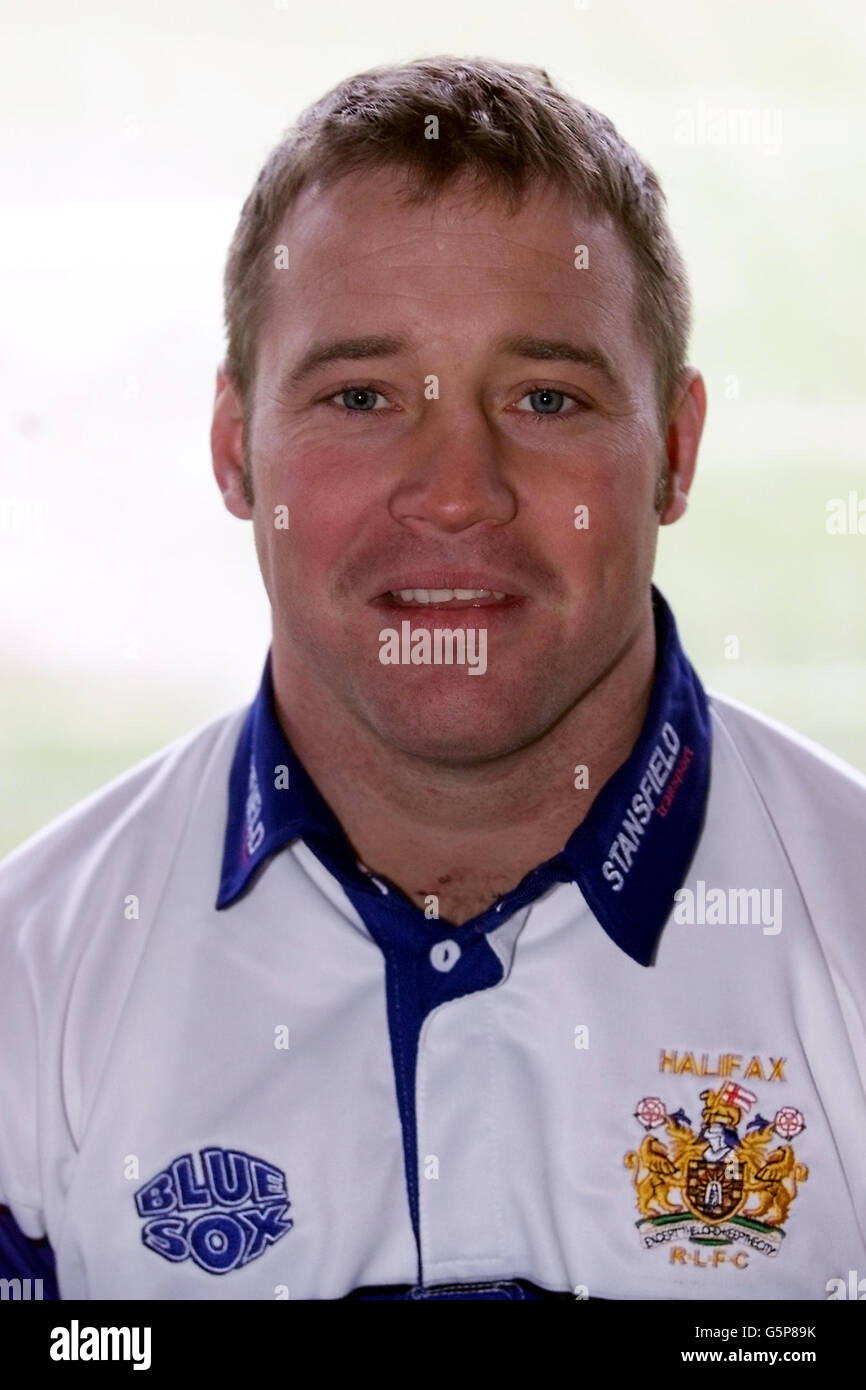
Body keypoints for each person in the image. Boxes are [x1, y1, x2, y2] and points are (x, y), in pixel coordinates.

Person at [1, 54, 864, 1303]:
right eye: (359, 394)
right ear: (234, 448)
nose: (458, 490)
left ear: (672, 453)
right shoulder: (32, 985)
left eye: (546, 397)